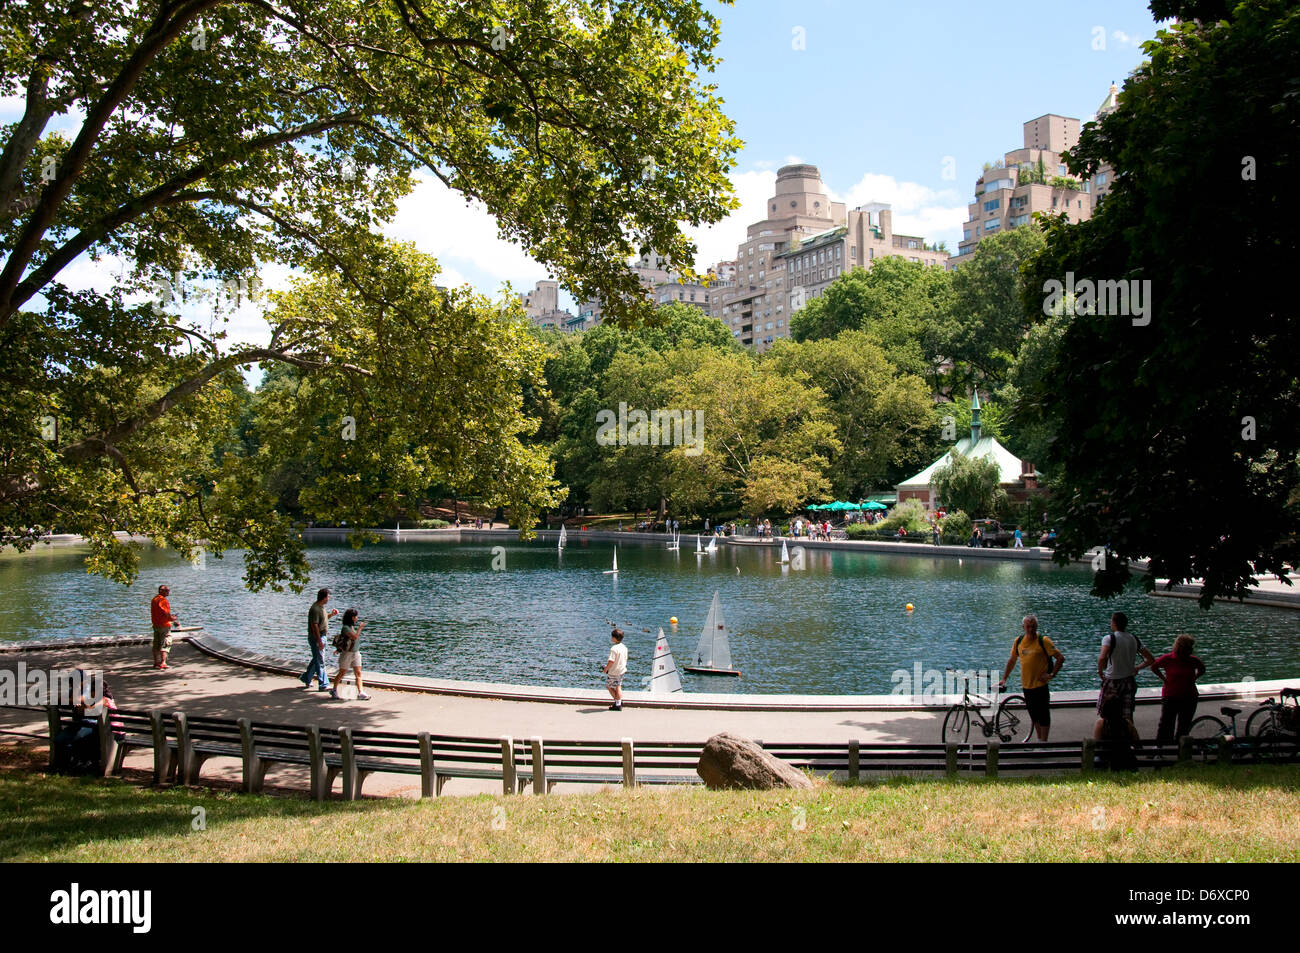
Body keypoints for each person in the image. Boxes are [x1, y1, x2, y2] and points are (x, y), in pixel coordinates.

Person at [997, 614, 1065, 740]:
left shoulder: (1043, 640)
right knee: (1034, 715)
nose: (1030, 629)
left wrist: (1051, 675)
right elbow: (1012, 660)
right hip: (1026, 685)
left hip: (1040, 685)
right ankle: (1039, 740)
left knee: (1043, 714)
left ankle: (1044, 742)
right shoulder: (1018, 641)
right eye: (1028, 626)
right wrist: (1004, 678)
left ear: (1036, 626)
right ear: (1023, 627)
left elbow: (1060, 658)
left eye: (1033, 626)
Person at [1096, 611, 1156, 740]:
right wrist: (1137, 668)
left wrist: (1100, 672)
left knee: (1106, 713)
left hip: (1112, 680)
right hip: (1129, 680)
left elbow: (1102, 658)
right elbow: (1150, 659)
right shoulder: (1133, 638)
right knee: (1128, 715)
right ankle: (1131, 742)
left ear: (1114, 623)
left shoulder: (1109, 638)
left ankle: (1105, 741)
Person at [1150, 634, 1206, 743]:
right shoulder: (1168, 658)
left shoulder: (1193, 660)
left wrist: (1194, 678)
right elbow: (1154, 667)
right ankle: (1160, 747)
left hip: (1187, 696)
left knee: (1183, 725)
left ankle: (1178, 749)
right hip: (1173, 695)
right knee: (1166, 723)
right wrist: (1163, 678)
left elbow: (1202, 669)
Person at [300, 588, 337, 692]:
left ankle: (306, 677)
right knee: (320, 660)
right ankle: (323, 684)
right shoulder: (315, 609)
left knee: (316, 658)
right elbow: (314, 626)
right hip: (317, 637)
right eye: (328, 596)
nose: (329, 598)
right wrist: (319, 641)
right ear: (324, 597)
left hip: (322, 636)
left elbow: (322, 621)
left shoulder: (321, 608)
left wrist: (331, 615)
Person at [330, 608, 372, 701]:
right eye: (355, 616)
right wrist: (360, 628)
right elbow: (355, 637)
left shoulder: (351, 627)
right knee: (342, 672)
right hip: (347, 654)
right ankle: (334, 689)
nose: (357, 618)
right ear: (352, 618)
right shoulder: (345, 628)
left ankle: (360, 692)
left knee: (358, 672)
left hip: (356, 652)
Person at [1093, 693, 1138, 771]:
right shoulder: (1127, 724)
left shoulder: (1101, 724)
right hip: (1125, 758)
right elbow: (1137, 743)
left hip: (1106, 758)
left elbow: (1097, 744)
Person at [150, 584, 178, 670]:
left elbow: (159, 613)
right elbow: (166, 614)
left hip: (156, 624)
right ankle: (163, 662)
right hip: (164, 626)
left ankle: (156, 662)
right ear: (161, 591)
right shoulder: (163, 601)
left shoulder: (154, 599)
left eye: (168, 590)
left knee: (156, 643)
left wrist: (172, 619)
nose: (168, 592)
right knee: (166, 643)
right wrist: (173, 619)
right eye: (166, 590)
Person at [601, 628, 628, 711]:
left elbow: (611, 661)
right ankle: (619, 701)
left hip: (614, 672)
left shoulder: (614, 649)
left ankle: (618, 703)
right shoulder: (624, 647)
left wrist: (606, 669)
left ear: (614, 638)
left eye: (612, 637)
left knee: (609, 686)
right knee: (618, 686)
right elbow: (626, 659)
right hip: (622, 670)